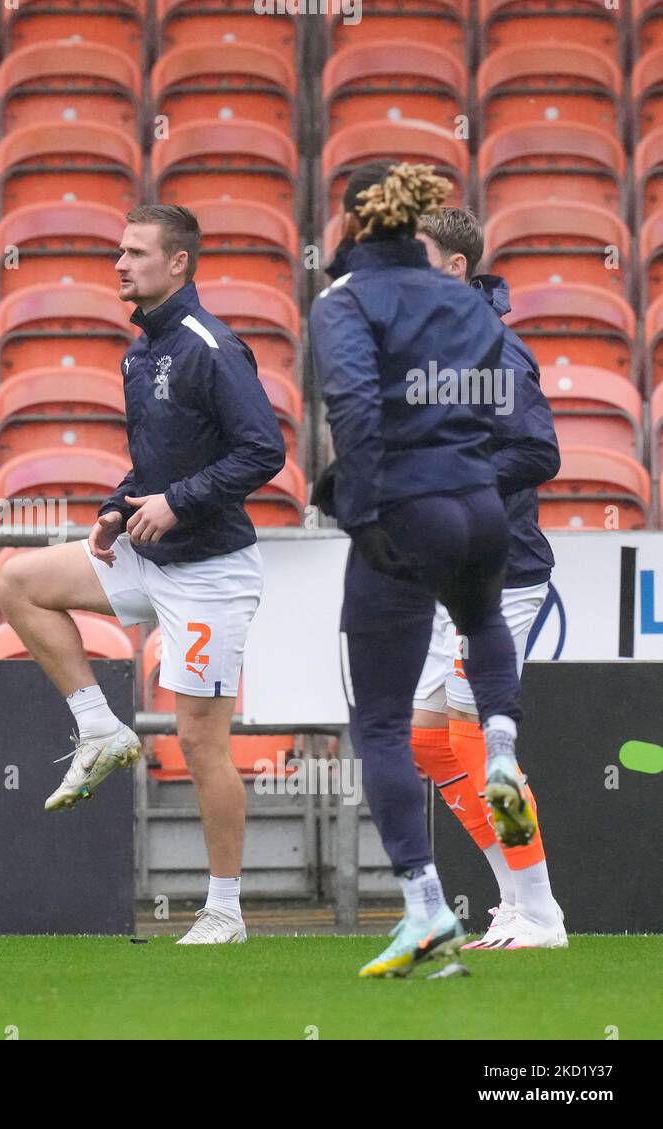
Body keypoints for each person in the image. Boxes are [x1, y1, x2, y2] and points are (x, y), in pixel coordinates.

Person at [0, 204, 285, 944]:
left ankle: (225, 909)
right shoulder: (139, 353)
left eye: (134, 253)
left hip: (211, 572)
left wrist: (176, 502)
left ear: (178, 263)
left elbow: (263, 453)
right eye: (117, 252)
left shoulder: (210, 346)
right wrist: (116, 509)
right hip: (147, 553)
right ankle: (100, 728)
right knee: (18, 582)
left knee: (198, 742)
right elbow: (156, 464)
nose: (119, 265)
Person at [310, 162, 533, 978]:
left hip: (408, 508)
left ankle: (425, 906)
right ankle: (503, 750)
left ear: (354, 221)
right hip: (481, 503)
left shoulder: (346, 302)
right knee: (481, 624)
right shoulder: (465, 300)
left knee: (378, 724)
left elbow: (356, 408)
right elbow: (490, 404)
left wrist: (361, 512)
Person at [410, 206, 566, 949]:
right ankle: (513, 900)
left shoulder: (493, 350)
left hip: (501, 572)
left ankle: (541, 911)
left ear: (450, 268)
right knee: (431, 742)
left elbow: (537, 451)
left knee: (473, 737)